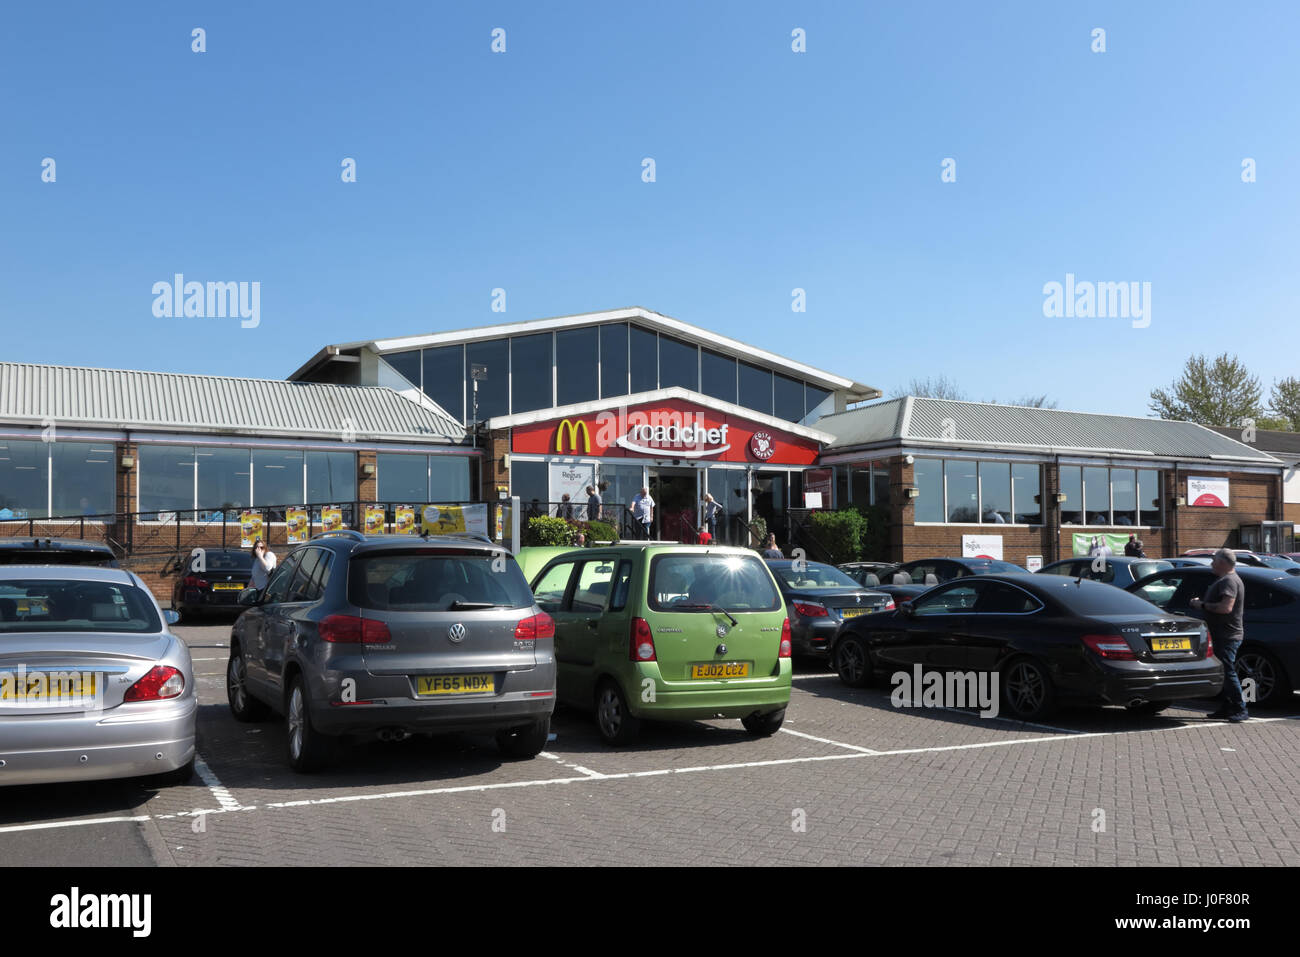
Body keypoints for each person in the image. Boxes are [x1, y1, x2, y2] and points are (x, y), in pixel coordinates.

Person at [1192, 548, 1248, 722]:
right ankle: (1227, 707)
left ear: (1223, 563)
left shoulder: (1229, 581)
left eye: (1214, 560)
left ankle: (1240, 708)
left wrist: (1201, 605)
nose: (1211, 563)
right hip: (1222, 634)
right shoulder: (1227, 579)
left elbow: (1226, 608)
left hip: (1227, 635)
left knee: (1227, 671)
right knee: (1223, 672)